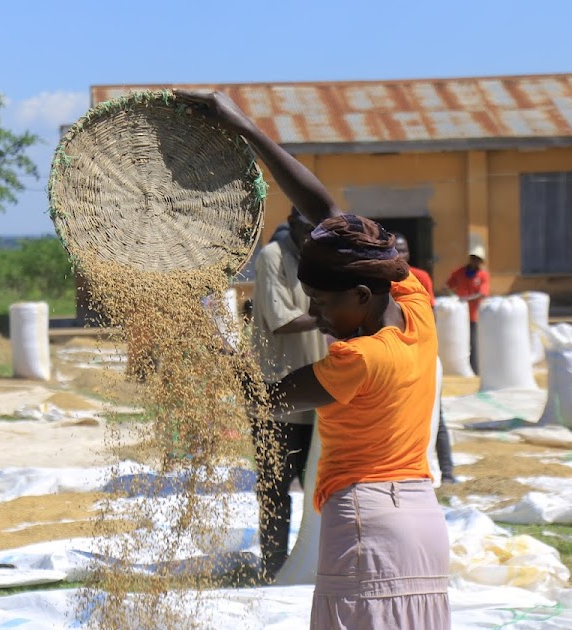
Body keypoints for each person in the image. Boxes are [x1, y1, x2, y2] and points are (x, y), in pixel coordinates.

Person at [181, 90, 450, 629]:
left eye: (324, 305)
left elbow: (268, 400)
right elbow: (327, 213)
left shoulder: (359, 359)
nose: (317, 316)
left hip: (366, 526)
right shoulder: (413, 308)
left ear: (361, 295)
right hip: (422, 523)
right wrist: (244, 127)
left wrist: (214, 343)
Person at [249, 208, 329, 579]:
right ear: (294, 224)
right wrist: (332, 315)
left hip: (320, 393)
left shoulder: (320, 260)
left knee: (321, 489)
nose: (313, 237)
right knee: (275, 491)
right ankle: (273, 568)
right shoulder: (274, 257)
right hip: (277, 396)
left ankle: (311, 566)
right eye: (308, 230)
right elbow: (280, 321)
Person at [393, 233, 456, 485]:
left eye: (404, 251)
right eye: (395, 251)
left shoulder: (420, 278)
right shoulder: (379, 280)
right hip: (393, 357)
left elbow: (428, 317)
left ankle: (448, 471)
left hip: (419, 354)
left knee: (435, 414)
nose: (400, 256)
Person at [446, 247, 490, 375]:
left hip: (474, 315)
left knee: (473, 342)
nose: (474, 261)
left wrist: (465, 299)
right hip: (458, 316)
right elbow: (447, 286)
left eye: (477, 260)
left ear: (481, 262)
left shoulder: (483, 275)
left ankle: (475, 369)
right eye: (473, 258)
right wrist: (453, 296)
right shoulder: (459, 272)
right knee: (458, 341)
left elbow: (482, 293)